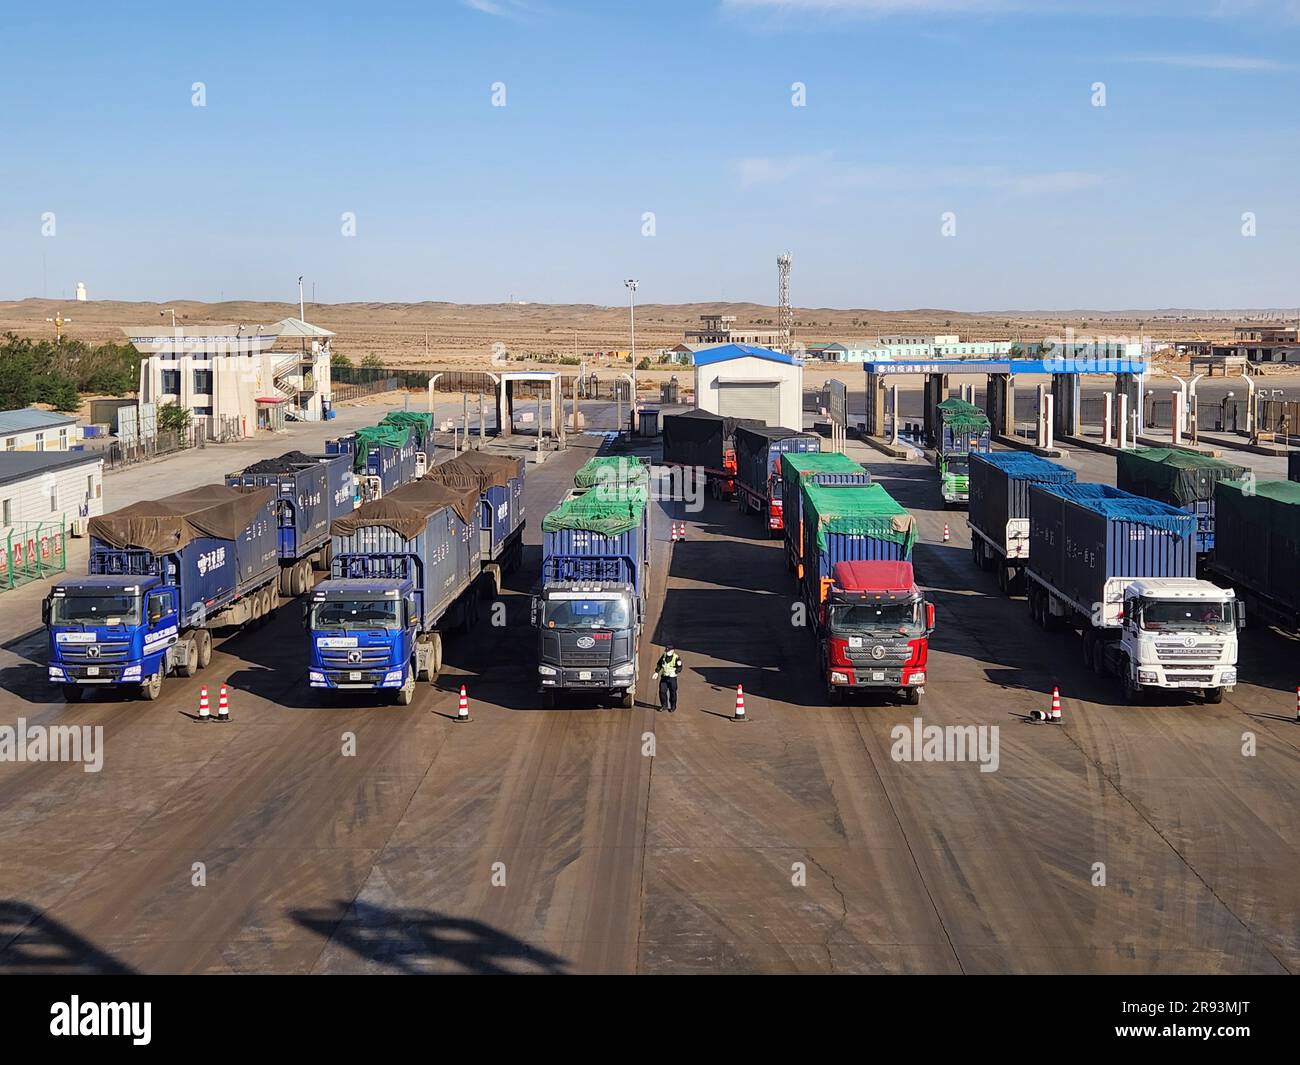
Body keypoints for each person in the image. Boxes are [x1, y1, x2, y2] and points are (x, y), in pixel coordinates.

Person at [652, 644, 682, 713]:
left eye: (668, 651)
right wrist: (656, 672)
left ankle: (673, 707)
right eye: (666, 650)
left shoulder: (676, 657)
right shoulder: (664, 656)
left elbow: (680, 667)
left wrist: (676, 671)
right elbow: (659, 664)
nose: (667, 652)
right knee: (662, 691)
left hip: (672, 678)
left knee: (673, 693)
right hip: (664, 677)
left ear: (672, 651)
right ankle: (664, 706)